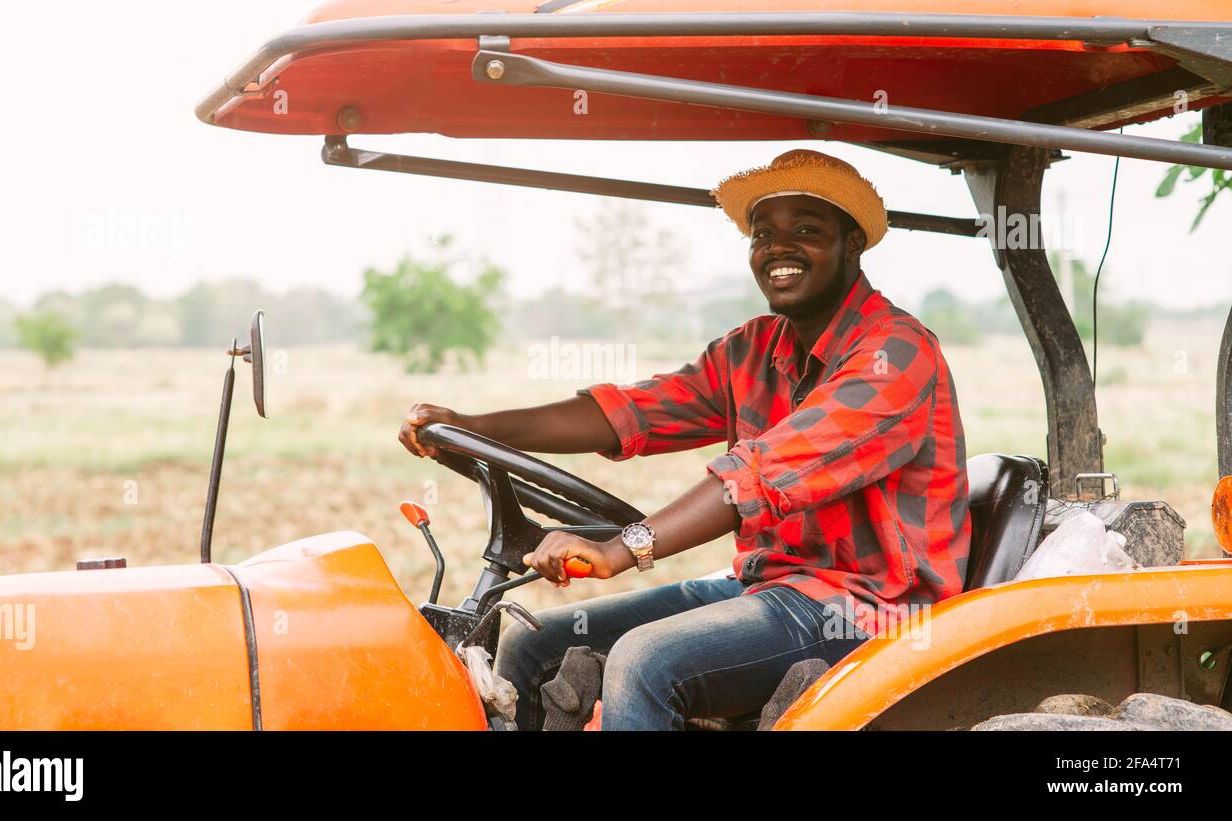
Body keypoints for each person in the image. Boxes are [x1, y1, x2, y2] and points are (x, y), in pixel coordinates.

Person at [398, 149, 970, 730]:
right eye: (763, 234)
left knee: (645, 661)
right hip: (767, 586)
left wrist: (624, 548)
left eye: (806, 230)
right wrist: (473, 426)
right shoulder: (754, 349)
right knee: (532, 641)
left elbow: (762, 474)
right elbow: (627, 413)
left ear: (853, 244)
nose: (778, 248)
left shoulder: (895, 354)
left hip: (869, 610)